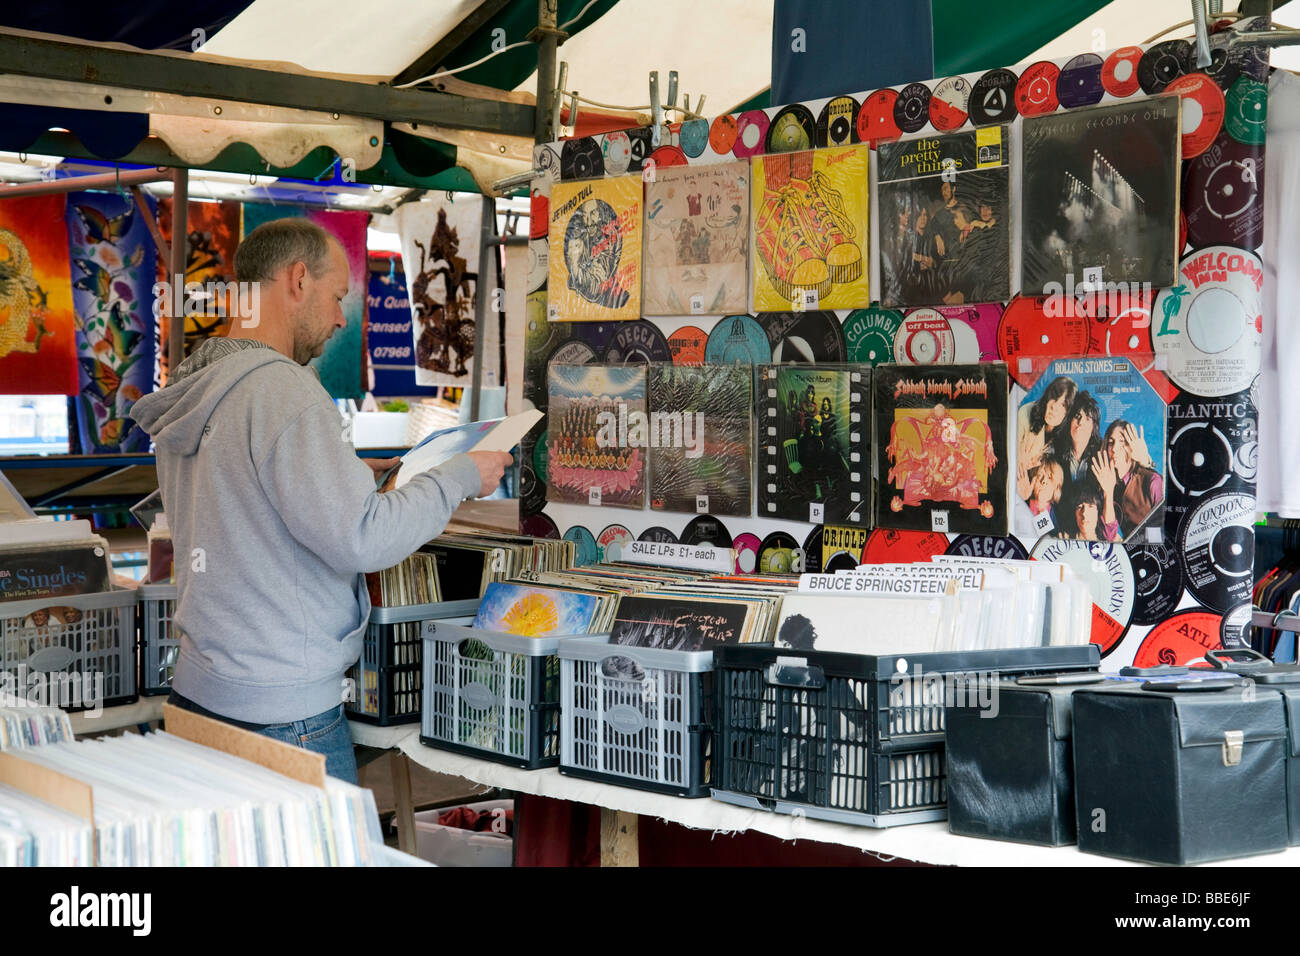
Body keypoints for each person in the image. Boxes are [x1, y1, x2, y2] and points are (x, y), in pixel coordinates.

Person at [131, 219, 511, 783]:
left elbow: (241, 494)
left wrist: (346, 474)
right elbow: (366, 538)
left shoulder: (200, 380)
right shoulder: (282, 390)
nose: (340, 318)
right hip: (282, 711)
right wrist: (458, 475)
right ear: (298, 279)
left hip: (200, 691)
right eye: (337, 297)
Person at [1093, 419, 1163, 539]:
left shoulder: (1152, 481)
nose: (1114, 448)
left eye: (1122, 441)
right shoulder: (1104, 482)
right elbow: (1108, 535)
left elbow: (1159, 535)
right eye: (1111, 442)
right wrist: (1108, 493)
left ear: (1132, 447)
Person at [1016, 376, 1077, 495]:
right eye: (1054, 398)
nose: (1054, 407)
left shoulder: (1064, 439)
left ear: (1068, 413)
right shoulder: (1026, 413)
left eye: (1063, 405)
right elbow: (1015, 463)